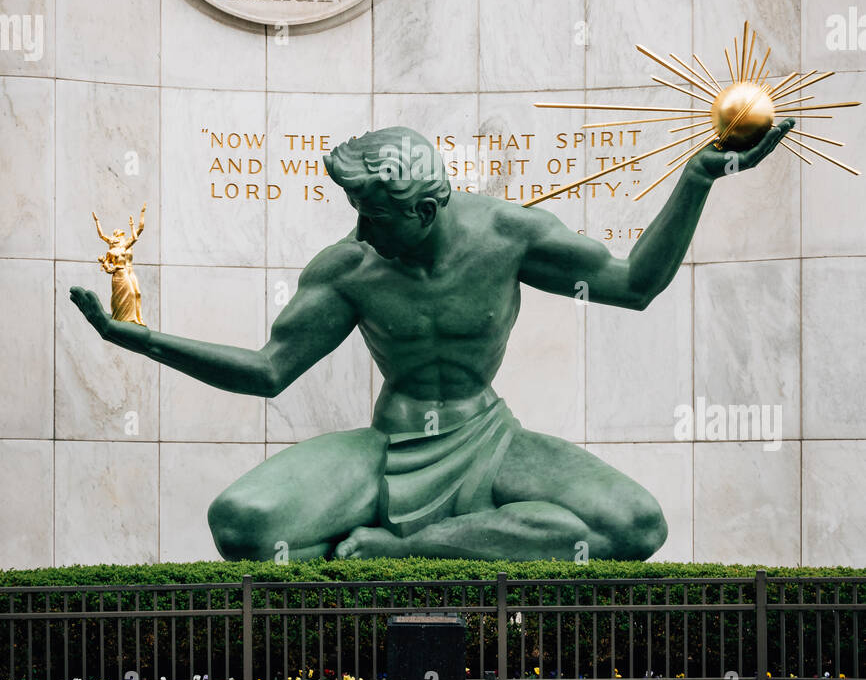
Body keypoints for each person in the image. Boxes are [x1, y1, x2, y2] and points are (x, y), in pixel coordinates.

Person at [70, 120, 793, 562]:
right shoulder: (349, 268)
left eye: (372, 213)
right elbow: (267, 372)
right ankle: (466, 534)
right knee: (242, 524)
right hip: (390, 446)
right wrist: (138, 338)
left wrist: (700, 178)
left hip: (491, 440)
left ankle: (400, 549)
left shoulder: (509, 236)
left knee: (636, 526)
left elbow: (634, 284)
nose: (358, 230)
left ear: (422, 209)